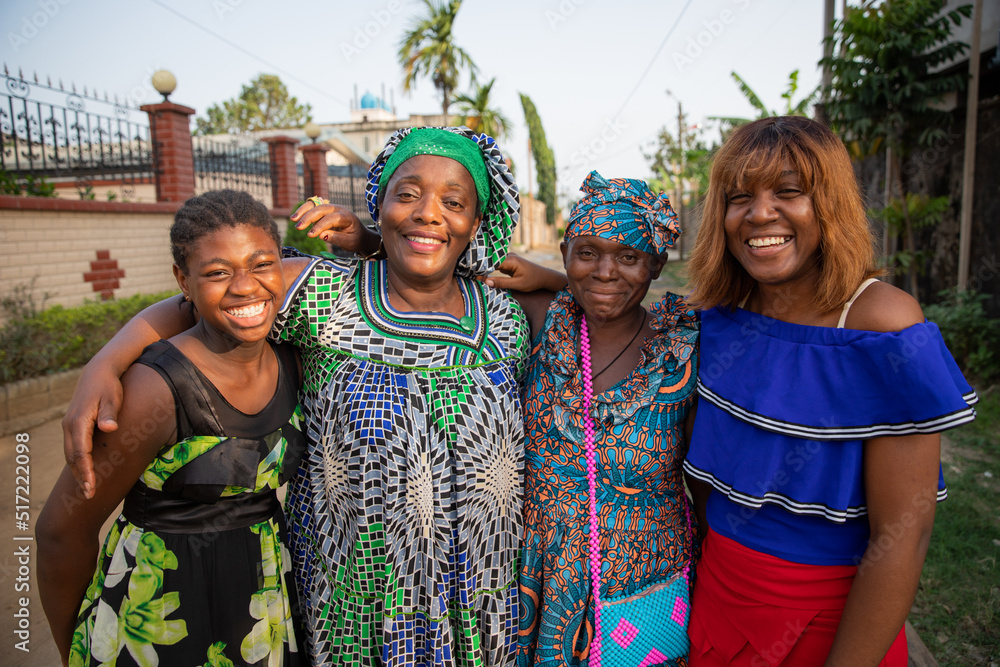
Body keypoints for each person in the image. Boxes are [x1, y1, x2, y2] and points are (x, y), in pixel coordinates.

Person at [60, 127, 530, 667]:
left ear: (476, 221)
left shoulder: (508, 316)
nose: (428, 213)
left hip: (480, 593)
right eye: (406, 194)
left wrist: (556, 276)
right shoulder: (321, 291)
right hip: (356, 600)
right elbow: (213, 294)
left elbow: (605, 291)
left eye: (454, 202)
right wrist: (108, 361)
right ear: (377, 204)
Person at [680, 116, 978, 666]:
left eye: (789, 192)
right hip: (715, 601)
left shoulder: (880, 326)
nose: (760, 213)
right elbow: (619, 307)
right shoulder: (718, 316)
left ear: (831, 204)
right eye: (739, 196)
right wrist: (558, 279)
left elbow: (902, 538)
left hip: (831, 625)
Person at [37, 190, 305, 667]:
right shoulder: (155, 389)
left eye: (261, 264)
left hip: (266, 603)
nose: (246, 287)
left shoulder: (294, 352)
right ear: (183, 279)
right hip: (161, 612)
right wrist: (76, 652)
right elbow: (61, 532)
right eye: (218, 272)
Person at [485, 171, 699, 667]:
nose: (606, 271)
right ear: (564, 254)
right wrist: (367, 239)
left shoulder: (682, 346)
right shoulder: (542, 319)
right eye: (587, 253)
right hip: (536, 581)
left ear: (656, 264)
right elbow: (434, 263)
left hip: (644, 582)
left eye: (629, 258)